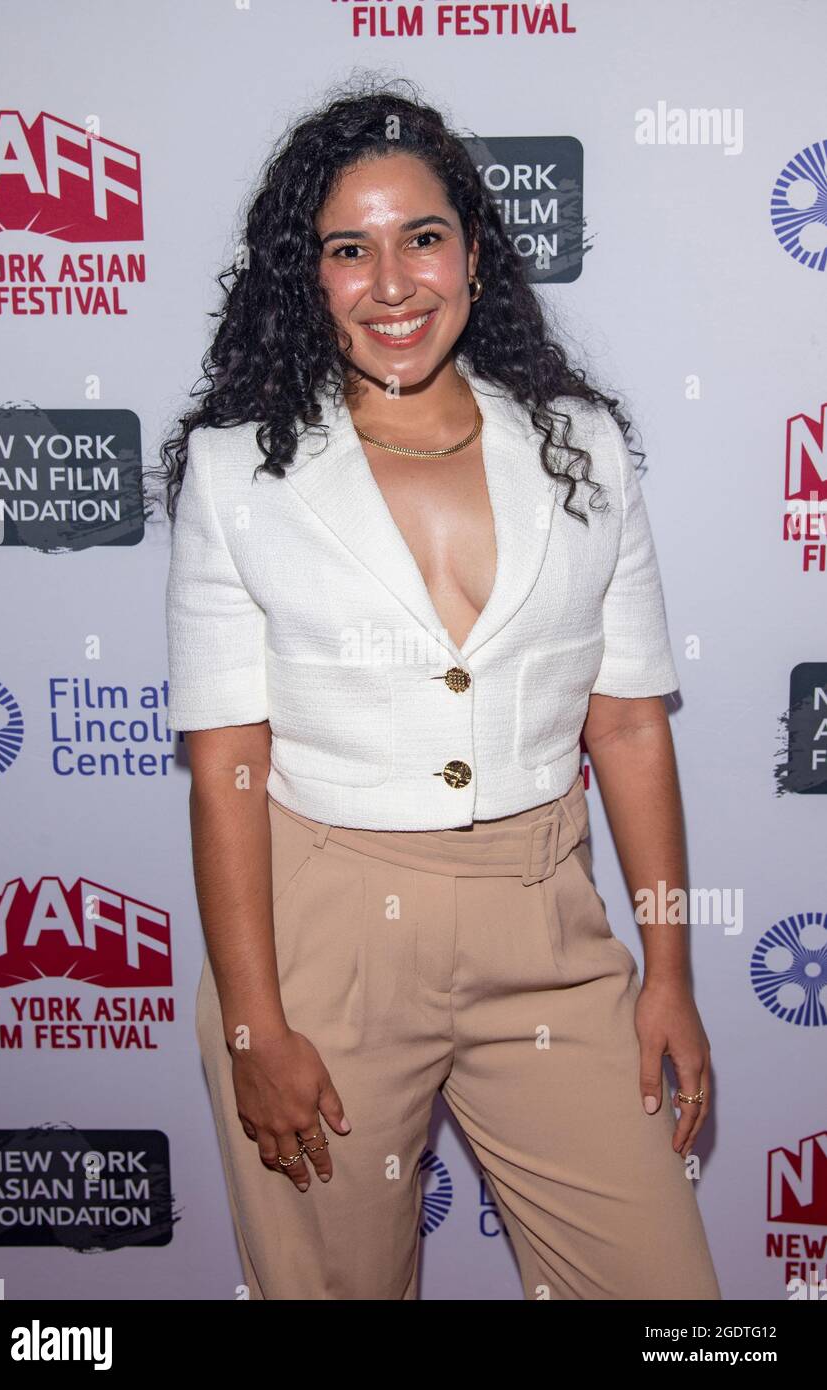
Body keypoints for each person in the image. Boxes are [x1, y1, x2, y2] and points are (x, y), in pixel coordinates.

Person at [159, 75, 722, 1301]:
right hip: (321, 942)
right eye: (347, 251)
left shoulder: (579, 447)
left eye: (420, 238)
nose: (394, 283)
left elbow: (624, 726)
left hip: (546, 928)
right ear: (303, 278)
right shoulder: (234, 475)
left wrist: (667, 971)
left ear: (472, 250)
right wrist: (254, 1022)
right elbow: (225, 767)